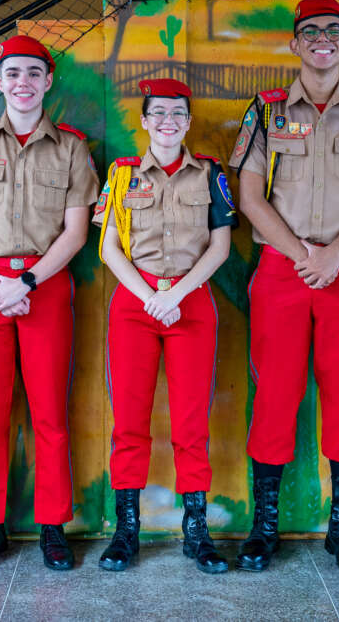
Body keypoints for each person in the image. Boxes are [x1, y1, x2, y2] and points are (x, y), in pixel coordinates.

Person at [228, 0, 339, 574]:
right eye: (311, 31)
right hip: (281, 270)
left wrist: (335, 254)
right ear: (296, 43)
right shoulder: (268, 110)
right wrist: (303, 252)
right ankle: (264, 527)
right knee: (274, 397)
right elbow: (250, 196)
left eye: (333, 31)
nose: (322, 39)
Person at [0, 35, 98, 572]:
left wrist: (25, 282)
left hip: (46, 285)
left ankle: (53, 525)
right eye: (13, 73)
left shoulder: (72, 148)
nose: (23, 83)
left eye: (34, 73)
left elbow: (76, 232)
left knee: (50, 411)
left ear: (48, 81)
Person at [94, 78, 237, 574]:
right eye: (158, 113)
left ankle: (196, 532)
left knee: (191, 424)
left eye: (178, 113)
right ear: (144, 120)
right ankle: (125, 531)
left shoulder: (210, 174)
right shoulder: (122, 173)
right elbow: (109, 246)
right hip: (135, 304)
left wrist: (174, 295)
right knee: (129, 422)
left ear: (189, 121)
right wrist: (152, 296)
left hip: (190, 302)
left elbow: (220, 247)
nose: (168, 122)